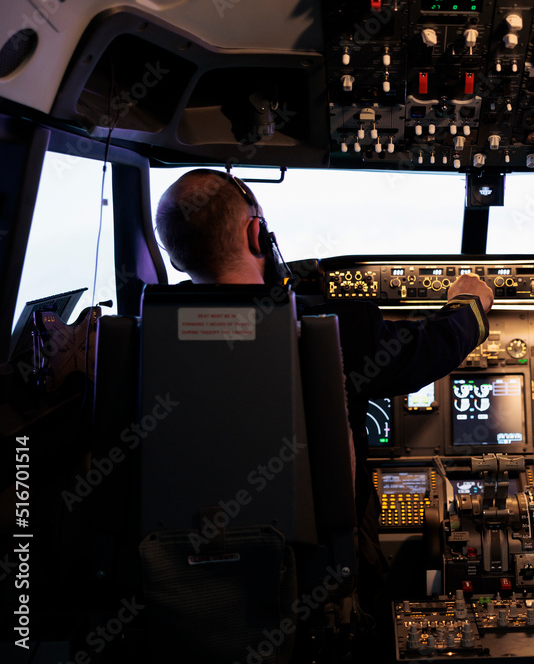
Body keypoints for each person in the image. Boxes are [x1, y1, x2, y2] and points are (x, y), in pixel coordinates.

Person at [155, 168, 494, 609]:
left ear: (178, 260)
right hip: (324, 577)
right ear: (257, 234)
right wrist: (469, 308)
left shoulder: (154, 337)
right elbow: (419, 354)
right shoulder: (327, 327)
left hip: (193, 585)